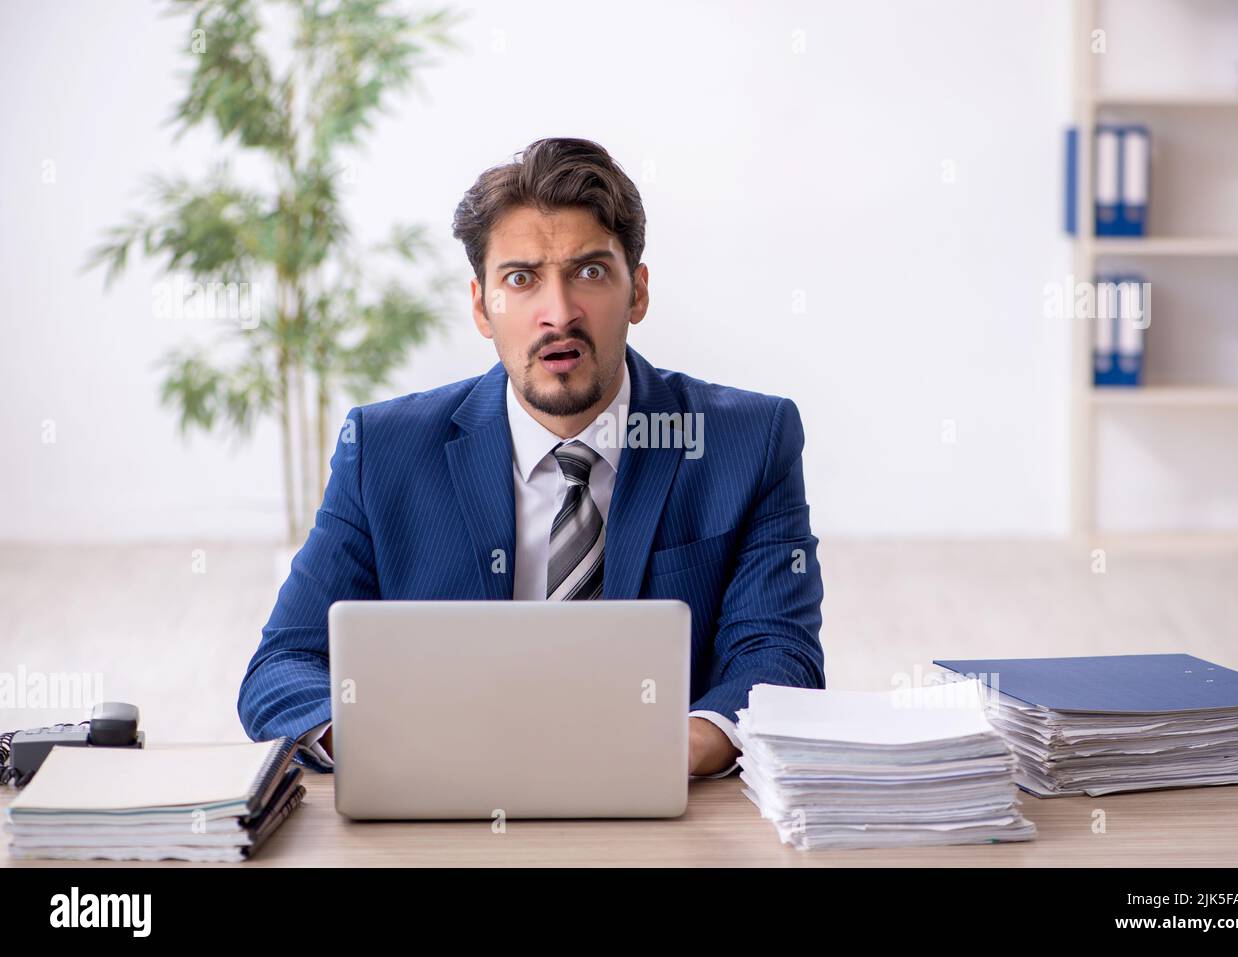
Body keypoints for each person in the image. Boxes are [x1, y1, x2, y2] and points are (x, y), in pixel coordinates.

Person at [238, 137, 825, 778]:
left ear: (638, 292)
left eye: (591, 273)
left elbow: (777, 654)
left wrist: (681, 746)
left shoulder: (749, 439)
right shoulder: (383, 451)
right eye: (521, 280)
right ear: (481, 305)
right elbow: (282, 667)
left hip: (660, 802)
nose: (559, 314)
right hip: (443, 803)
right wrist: (386, 744)